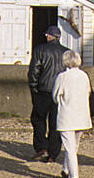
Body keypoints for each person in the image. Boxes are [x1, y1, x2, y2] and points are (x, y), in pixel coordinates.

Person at [27, 25, 68, 162]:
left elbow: (34, 70)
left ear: (49, 36)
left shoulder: (40, 50)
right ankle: (53, 153)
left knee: (38, 119)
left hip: (43, 90)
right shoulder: (66, 52)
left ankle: (41, 147)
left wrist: (33, 87)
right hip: (60, 92)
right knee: (56, 123)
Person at [52, 50, 92, 178]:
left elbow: (56, 96)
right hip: (82, 115)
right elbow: (88, 93)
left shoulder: (62, 77)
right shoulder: (84, 76)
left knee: (69, 147)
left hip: (67, 115)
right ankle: (65, 169)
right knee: (74, 146)